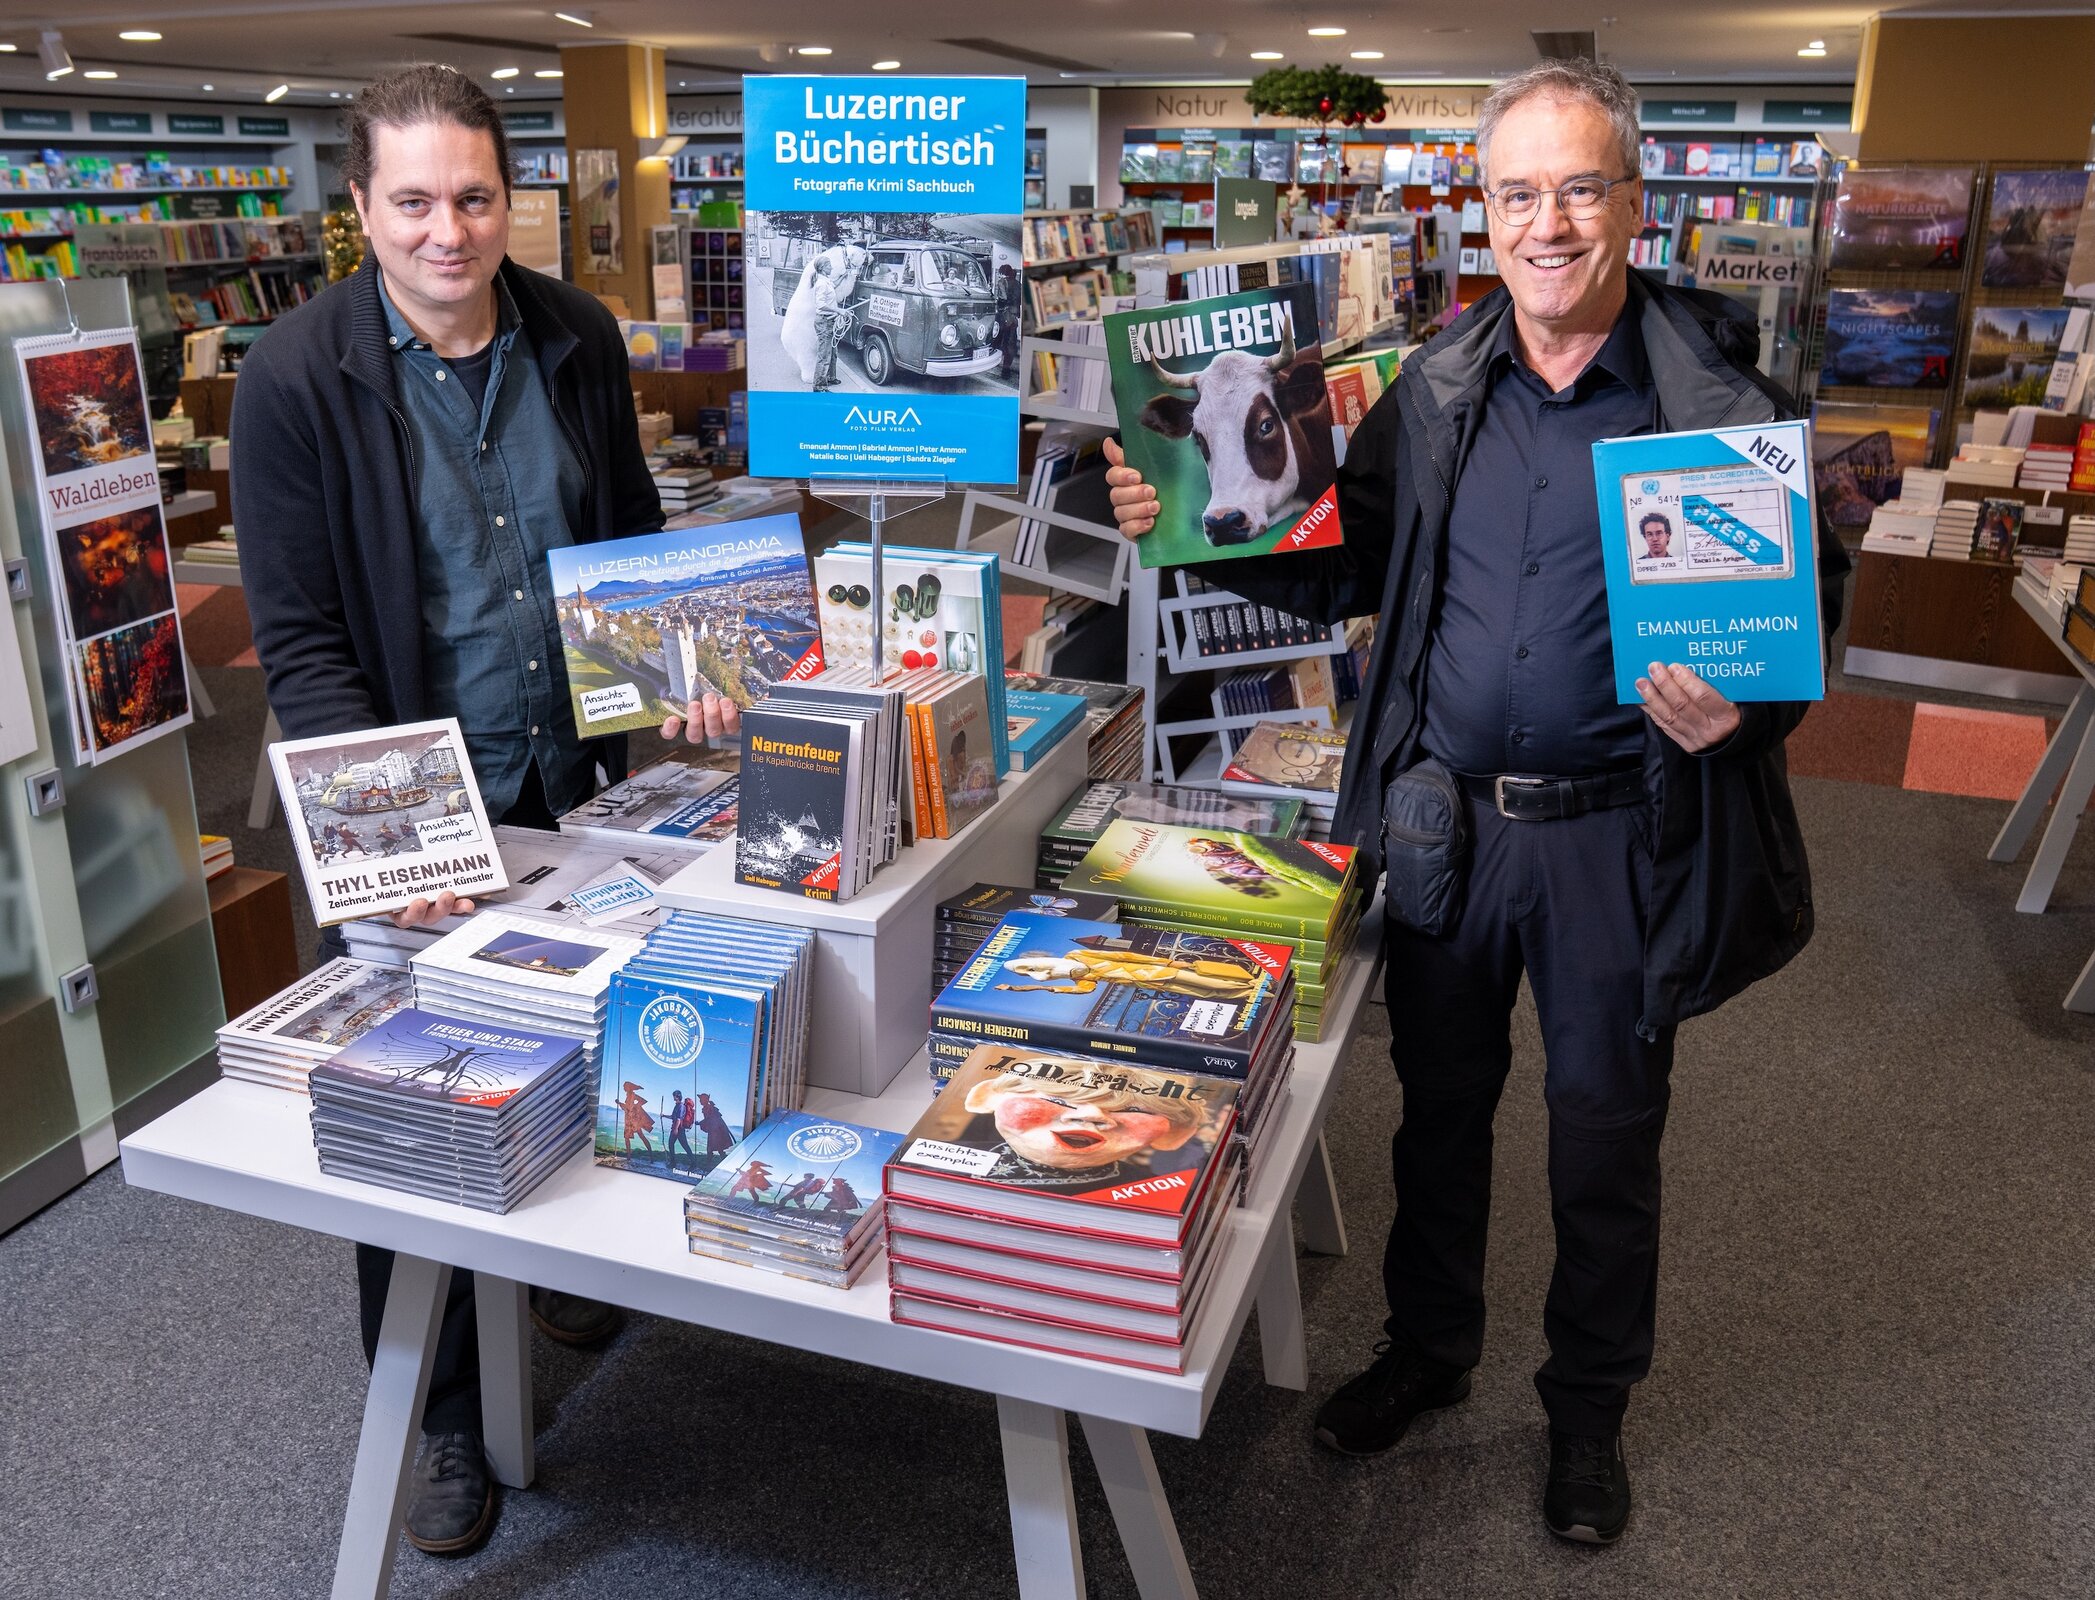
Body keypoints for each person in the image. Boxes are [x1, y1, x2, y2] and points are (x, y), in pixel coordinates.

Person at [1103, 58, 1848, 1545]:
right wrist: (1186, 520)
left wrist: (1745, 712)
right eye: (1519, 193)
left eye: (1580, 188)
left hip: (1618, 839)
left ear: (1632, 208)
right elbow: (1335, 556)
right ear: (1483, 214)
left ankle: (1587, 1415)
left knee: (1603, 1135)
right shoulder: (1434, 389)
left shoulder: (1716, 409)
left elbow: (1796, 627)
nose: (1548, 223)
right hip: (1448, 827)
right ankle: (1430, 1354)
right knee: (1437, 1112)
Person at [230, 64, 739, 1556]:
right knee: (412, 1099)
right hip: (410, 806)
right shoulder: (295, 378)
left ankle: (564, 1273)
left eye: (472, 197)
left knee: (578, 1043)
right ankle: (441, 1413)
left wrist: (688, 670)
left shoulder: (573, 334)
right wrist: (407, 843)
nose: (447, 231)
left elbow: (632, 543)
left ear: (509, 196)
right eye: (413, 202)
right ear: (361, 210)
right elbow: (309, 643)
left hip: (575, 793)